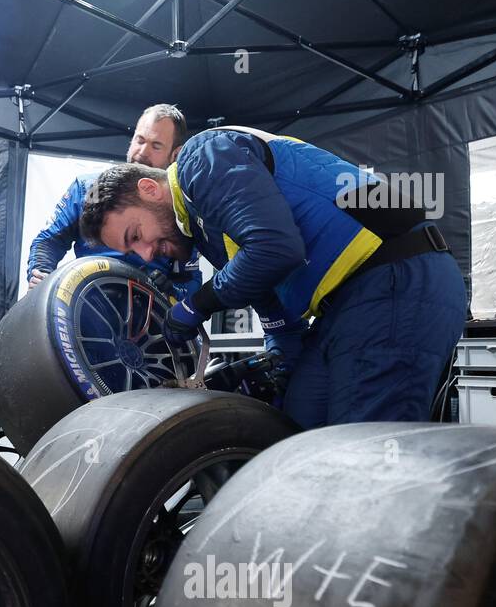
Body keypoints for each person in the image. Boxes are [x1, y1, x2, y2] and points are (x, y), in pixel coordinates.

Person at [80, 125, 467, 428]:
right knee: (296, 425)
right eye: (133, 252)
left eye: (136, 236)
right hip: (349, 305)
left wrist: (197, 305)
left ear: (149, 189)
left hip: (398, 278)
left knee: (360, 453)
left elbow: (275, 248)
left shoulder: (203, 159)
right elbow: (275, 312)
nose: (147, 253)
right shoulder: (212, 233)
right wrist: (279, 362)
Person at [26, 103, 199, 295]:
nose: (142, 152)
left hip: (148, 313)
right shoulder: (89, 188)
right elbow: (49, 241)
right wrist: (41, 275)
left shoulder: (182, 209)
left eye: (156, 146)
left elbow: (190, 285)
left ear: (175, 154)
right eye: (139, 140)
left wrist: (171, 290)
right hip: (86, 307)